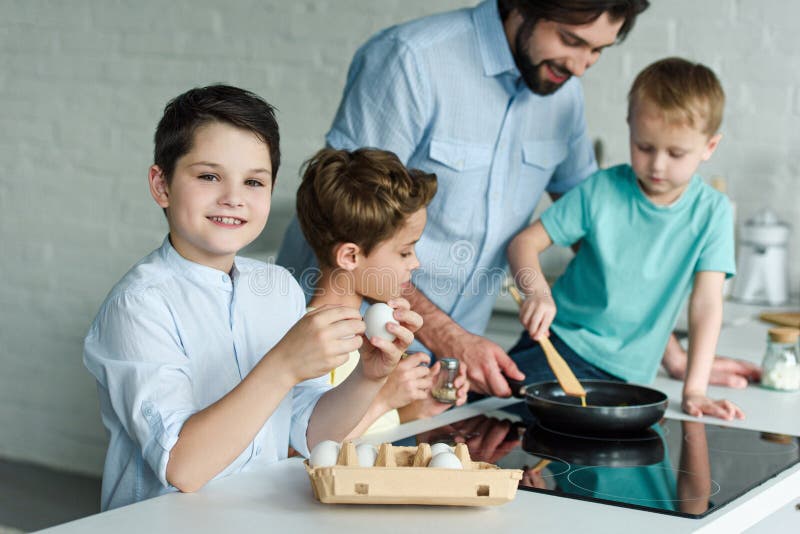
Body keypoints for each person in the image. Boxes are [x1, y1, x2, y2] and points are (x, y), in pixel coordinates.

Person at [279, 0, 675, 398]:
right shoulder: (411, 60)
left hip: (442, 376)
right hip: (337, 353)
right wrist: (451, 339)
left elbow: (597, 234)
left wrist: (669, 347)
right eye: (570, 40)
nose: (579, 65)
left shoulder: (563, 97)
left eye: (597, 50)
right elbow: (346, 222)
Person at [83, 85, 416, 510]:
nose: (234, 198)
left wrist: (368, 377)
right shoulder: (138, 307)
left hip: (262, 516)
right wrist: (283, 364)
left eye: (254, 181)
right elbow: (183, 469)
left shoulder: (278, 288)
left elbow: (311, 433)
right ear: (161, 185)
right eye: (208, 176)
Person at [507, 57, 744, 420]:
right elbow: (523, 243)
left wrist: (695, 390)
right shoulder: (601, 189)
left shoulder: (713, 213)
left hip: (629, 378)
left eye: (675, 153)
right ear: (630, 128)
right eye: (644, 147)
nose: (657, 165)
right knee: (486, 421)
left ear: (709, 147)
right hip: (557, 347)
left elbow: (706, 305)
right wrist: (537, 292)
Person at [295, 147, 469, 437]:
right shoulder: (315, 341)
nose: (415, 263)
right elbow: (300, 449)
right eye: (404, 252)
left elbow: (368, 430)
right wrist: (384, 396)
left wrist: (417, 407)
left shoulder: (361, 332)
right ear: (350, 257)